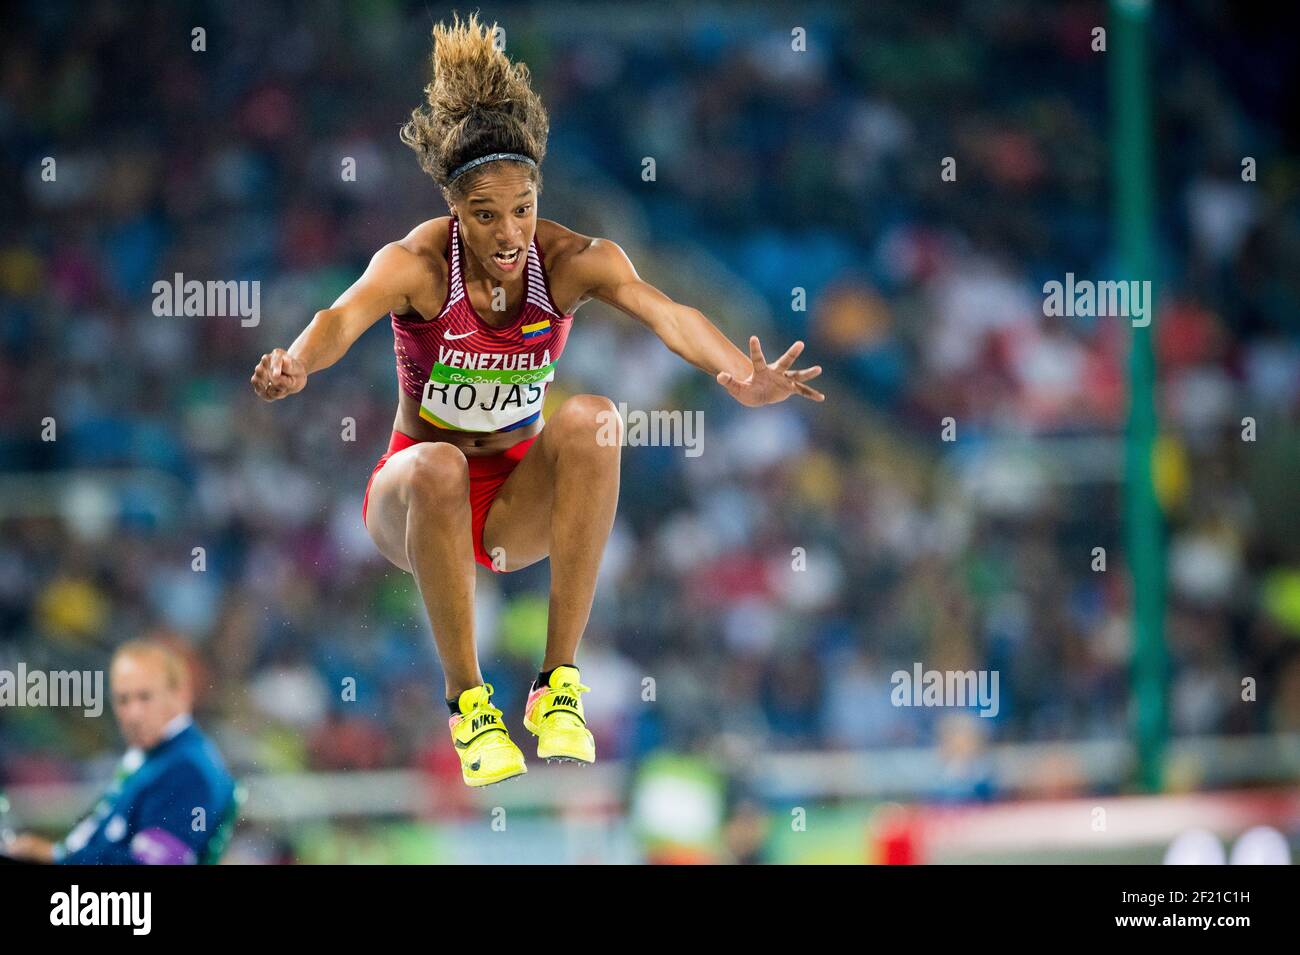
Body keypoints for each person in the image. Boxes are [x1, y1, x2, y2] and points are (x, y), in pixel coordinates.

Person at [249, 13, 824, 788]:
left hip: (516, 503)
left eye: (522, 207)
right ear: (456, 210)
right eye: (487, 215)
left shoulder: (573, 259)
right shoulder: (417, 263)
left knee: (593, 418)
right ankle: (469, 706)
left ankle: (559, 685)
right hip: (412, 497)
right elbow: (338, 317)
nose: (510, 231)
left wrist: (736, 370)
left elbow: (663, 309)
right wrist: (296, 364)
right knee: (440, 465)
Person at [2, 640, 238, 864]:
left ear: (180, 696)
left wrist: (56, 858)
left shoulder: (188, 771)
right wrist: (53, 854)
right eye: (123, 700)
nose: (133, 714)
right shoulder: (155, 756)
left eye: (145, 697)